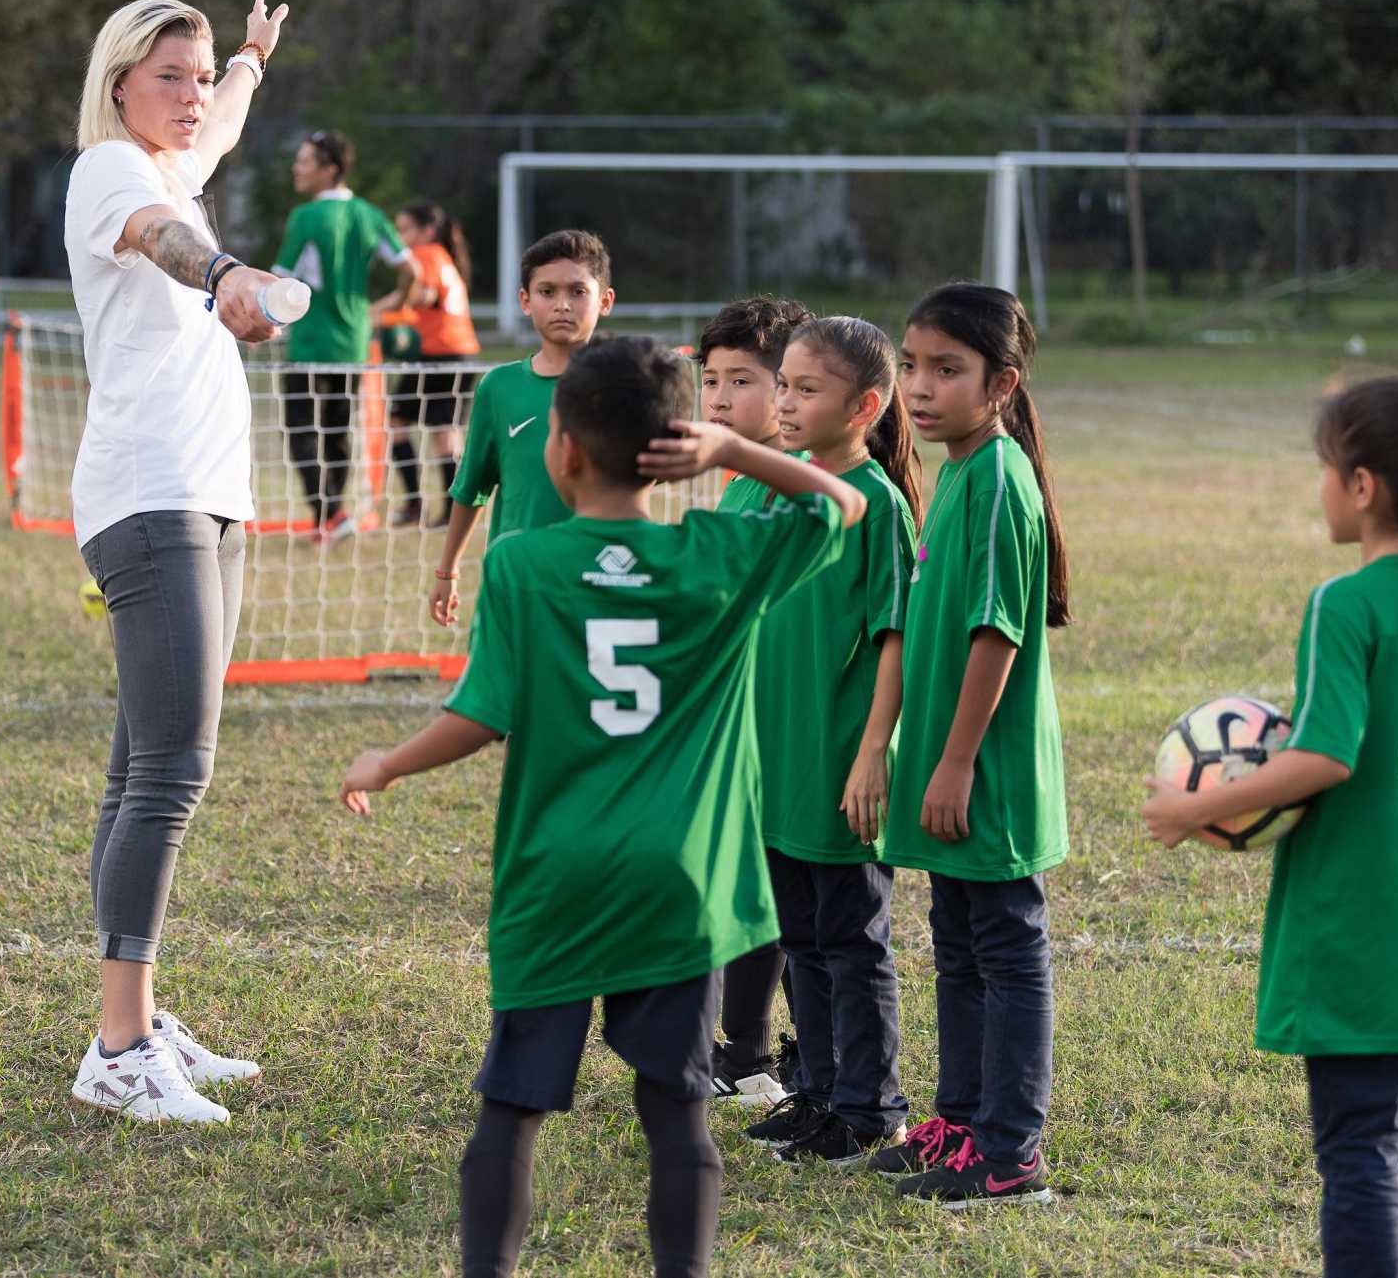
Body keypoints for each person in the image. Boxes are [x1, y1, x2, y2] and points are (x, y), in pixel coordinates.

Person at [341, 338, 867, 1277]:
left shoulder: (525, 563)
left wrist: (386, 762)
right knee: (678, 1108)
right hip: (678, 882)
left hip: (557, 874)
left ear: (564, 452)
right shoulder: (716, 552)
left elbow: (478, 716)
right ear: (678, 444)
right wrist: (733, 451)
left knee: (512, 1104)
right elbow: (844, 502)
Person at [1144, 376, 1398, 1278]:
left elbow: (1324, 758)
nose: (1323, 486)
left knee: (1358, 1145)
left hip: (1363, 919)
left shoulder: (1348, 604)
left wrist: (1193, 807)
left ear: (1364, 484)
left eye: (1326, 469)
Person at [61, 0, 290, 1123]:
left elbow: (229, 121)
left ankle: (135, 1023)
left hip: (204, 499)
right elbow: (169, 242)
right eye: (170, 74)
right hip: (148, 495)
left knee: (140, 767)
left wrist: (247, 58)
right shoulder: (112, 173)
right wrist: (225, 276)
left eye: (195, 74)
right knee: (170, 772)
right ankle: (116, 1047)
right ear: (118, 85)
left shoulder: (180, 153)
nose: (190, 93)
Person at [870, 282, 1070, 1209]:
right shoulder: (958, 472)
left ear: (1002, 383)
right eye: (911, 365)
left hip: (985, 767)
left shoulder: (995, 479)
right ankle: (960, 1118)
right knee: (957, 943)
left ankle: (1010, 1147)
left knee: (1006, 946)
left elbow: (997, 634)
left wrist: (952, 760)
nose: (921, 385)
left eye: (947, 368)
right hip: (952, 762)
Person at [750, 316, 920, 1171]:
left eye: (804, 388)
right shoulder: (776, 487)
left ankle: (871, 1106)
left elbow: (895, 636)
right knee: (799, 934)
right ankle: (817, 1090)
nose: (784, 400)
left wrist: (871, 751)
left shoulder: (876, 504)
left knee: (852, 941)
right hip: (772, 761)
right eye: (782, 383)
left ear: (865, 406)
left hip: (836, 762)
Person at [685, 295, 811, 1108]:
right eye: (711, 380)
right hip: (744, 733)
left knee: (806, 911)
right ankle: (747, 1051)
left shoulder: (802, 489)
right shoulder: (738, 487)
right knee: (755, 892)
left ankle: (814, 1062)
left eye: (744, 379)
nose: (722, 398)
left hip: (795, 739)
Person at [429, 230, 614, 629]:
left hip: (602, 579)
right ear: (525, 302)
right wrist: (447, 571)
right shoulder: (499, 387)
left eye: (578, 291)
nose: (562, 304)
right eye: (547, 291)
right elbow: (472, 486)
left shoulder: (625, 384)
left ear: (605, 300)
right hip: (518, 580)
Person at [273, 129, 416, 538]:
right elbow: (410, 271)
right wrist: (395, 306)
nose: (295, 168)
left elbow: (283, 279)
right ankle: (333, 517)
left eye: (304, 161)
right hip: (354, 340)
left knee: (301, 430)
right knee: (337, 430)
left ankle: (329, 514)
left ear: (329, 170)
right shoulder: (370, 215)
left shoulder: (306, 217)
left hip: (311, 341)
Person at [375, 201, 482, 528]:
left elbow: (419, 295)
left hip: (441, 356)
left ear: (427, 231)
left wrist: (370, 314)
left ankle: (420, 506)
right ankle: (440, 509)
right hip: (456, 353)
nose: (401, 236)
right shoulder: (444, 256)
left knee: (417, 426)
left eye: (406, 229)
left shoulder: (426, 255)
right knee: (439, 430)